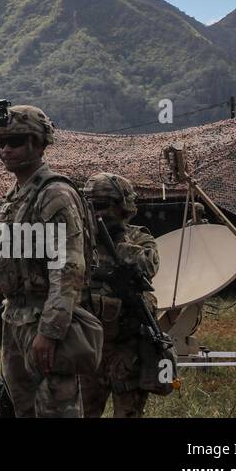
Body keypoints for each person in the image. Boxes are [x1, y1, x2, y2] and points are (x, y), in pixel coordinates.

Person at [0, 104, 102, 418]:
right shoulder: (15, 196)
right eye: (1, 142)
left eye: (16, 141)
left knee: (56, 409)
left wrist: (50, 332)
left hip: (43, 319)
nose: (6, 149)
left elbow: (68, 269)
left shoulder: (55, 194)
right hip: (15, 318)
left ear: (38, 144)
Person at [79, 172, 160, 418]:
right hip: (87, 350)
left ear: (122, 206)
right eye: (88, 205)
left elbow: (147, 264)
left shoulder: (139, 238)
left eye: (101, 205)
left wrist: (116, 242)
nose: (95, 212)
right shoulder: (79, 240)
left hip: (127, 349)